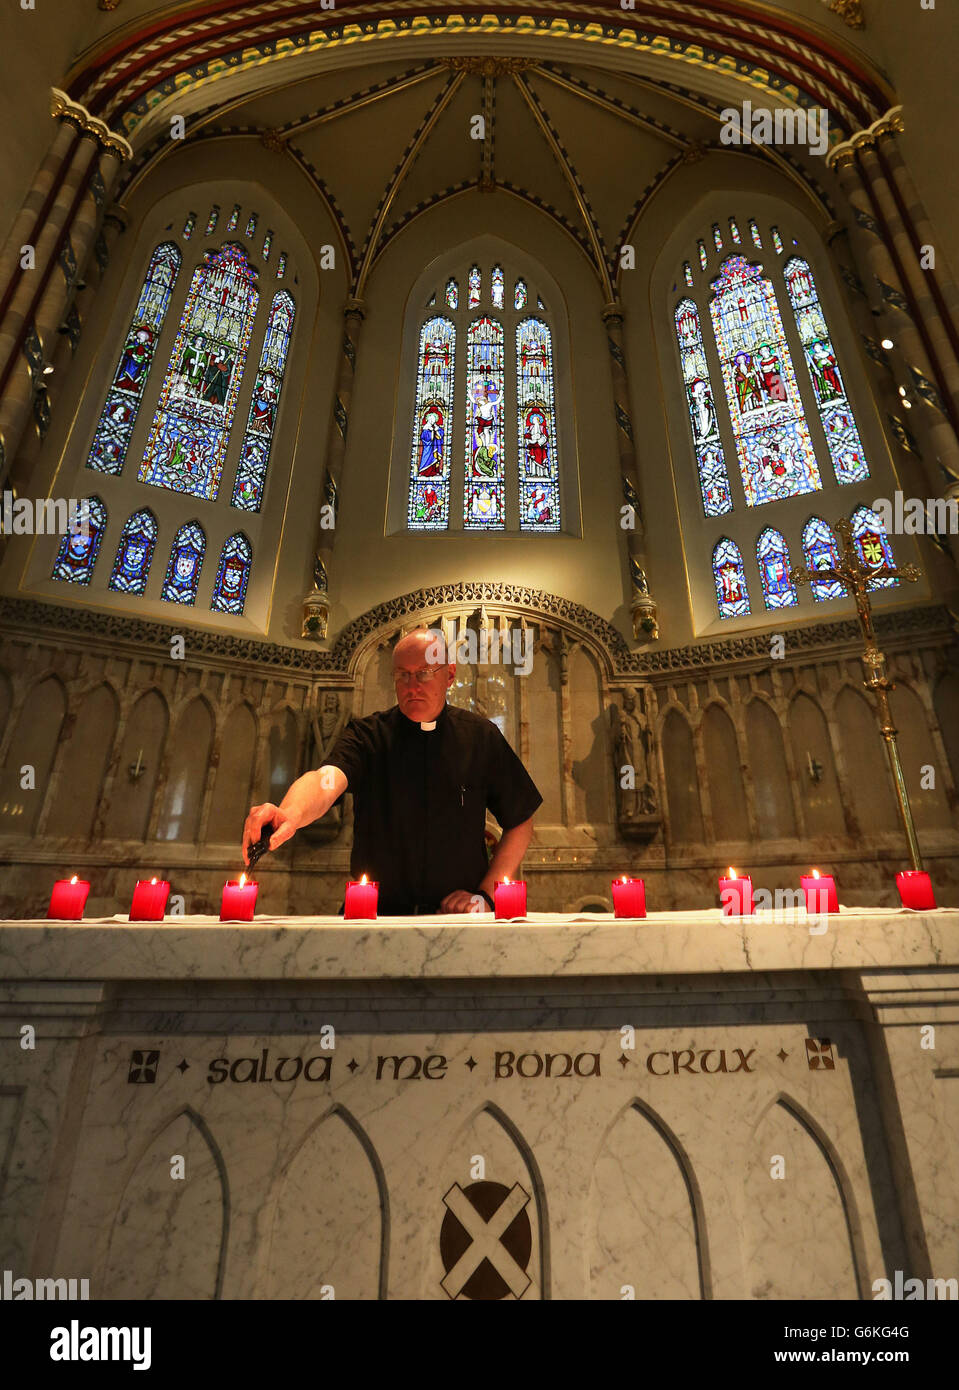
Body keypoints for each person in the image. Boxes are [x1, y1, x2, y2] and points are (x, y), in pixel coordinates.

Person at [242, 629, 542, 914]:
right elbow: (326, 778)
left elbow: (521, 820)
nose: (412, 686)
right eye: (402, 675)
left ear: (449, 675)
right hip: (375, 915)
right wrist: (290, 813)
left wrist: (486, 895)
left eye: (423, 673)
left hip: (453, 918)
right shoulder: (367, 735)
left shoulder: (480, 737)